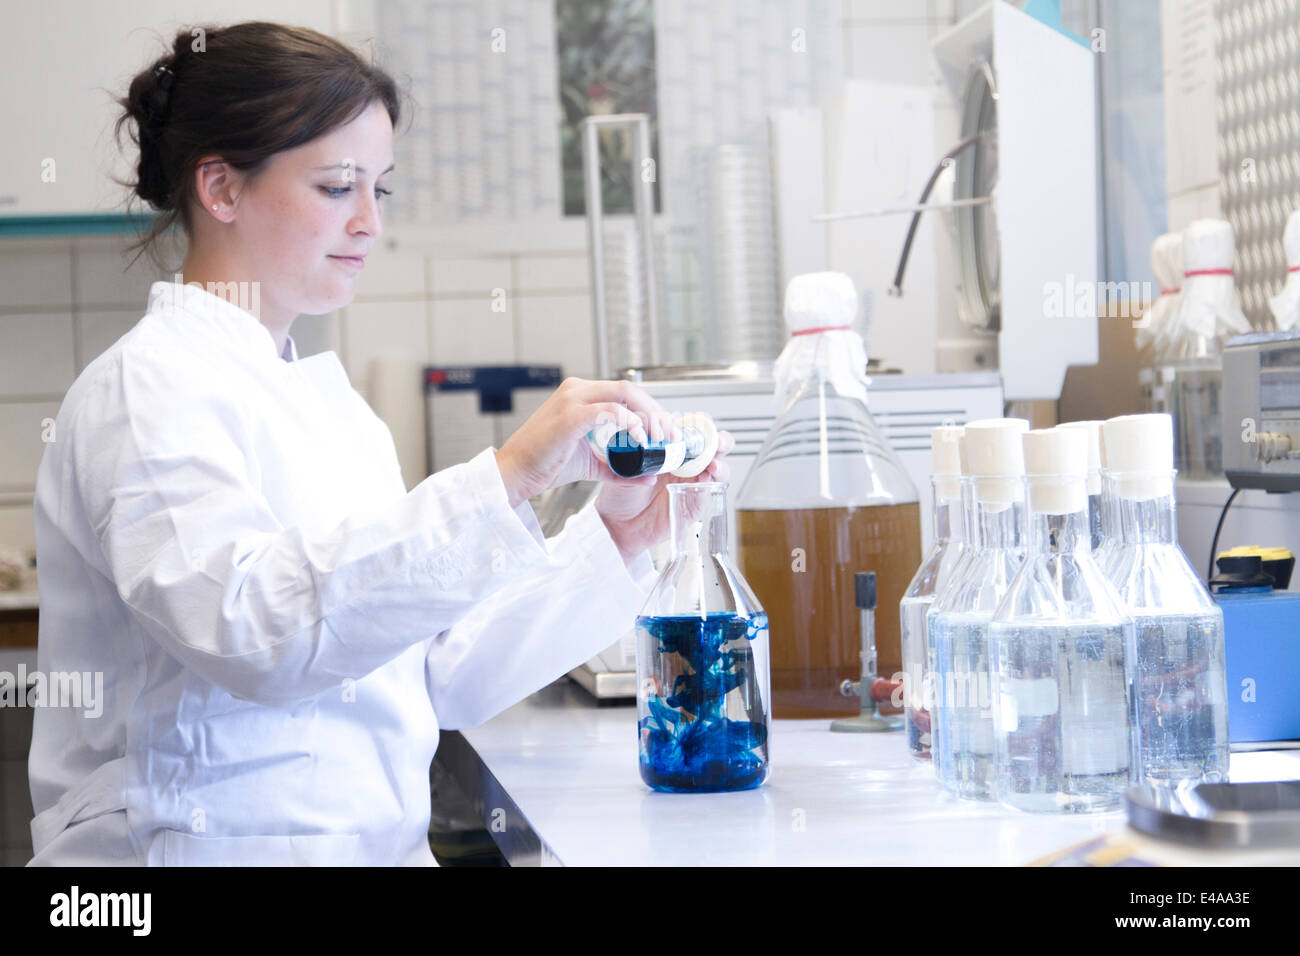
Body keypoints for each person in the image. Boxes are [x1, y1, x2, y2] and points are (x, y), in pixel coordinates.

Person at [27, 21, 732, 866]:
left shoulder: (333, 410)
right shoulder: (145, 390)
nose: (368, 223)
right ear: (219, 186)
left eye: (381, 191)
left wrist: (621, 531)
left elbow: (440, 676)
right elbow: (253, 631)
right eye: (336, 186)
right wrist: (508, 476)